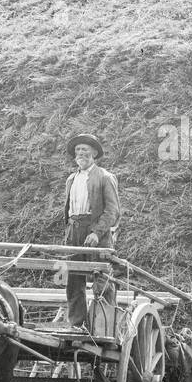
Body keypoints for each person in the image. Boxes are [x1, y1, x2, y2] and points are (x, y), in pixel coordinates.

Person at [62, 134, 119, 330]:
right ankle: (77, 324)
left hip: (97, 234)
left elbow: (112, 211)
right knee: (73, 279)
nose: (81, 154)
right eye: (78, 150)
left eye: (85, 150)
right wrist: (69, 232)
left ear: (94, 153)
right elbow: (69, 209)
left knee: (101, 279)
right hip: (74, 232)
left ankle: (103, 326)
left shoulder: (105, 177)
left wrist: (96, 232)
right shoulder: (71, 179)